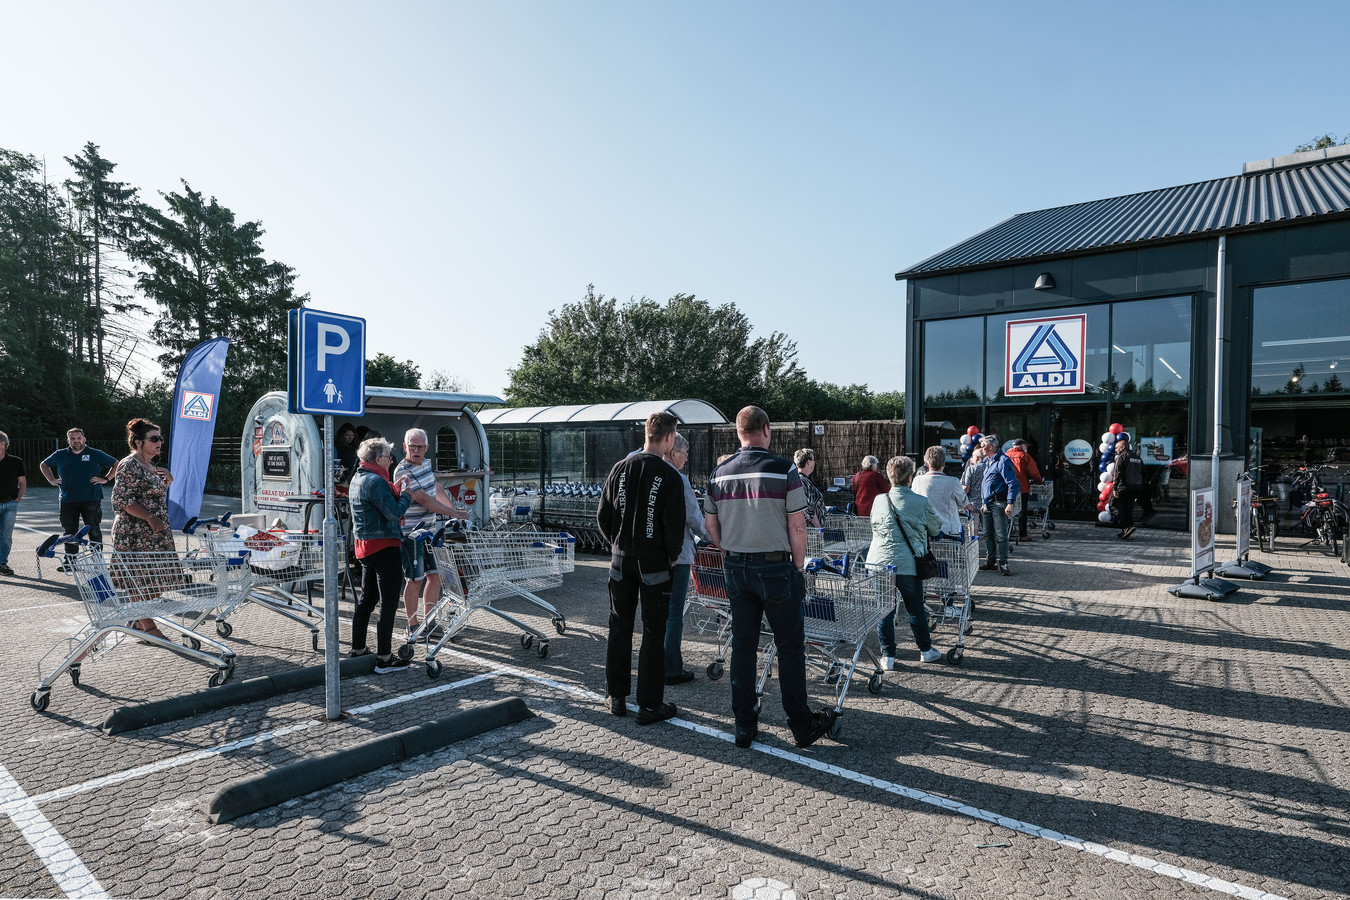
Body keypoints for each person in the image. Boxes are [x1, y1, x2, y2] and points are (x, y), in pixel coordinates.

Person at [703, 406, 837, 750]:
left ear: (738, 432)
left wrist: (729, 549)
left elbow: (710, 525)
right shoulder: (784, 470)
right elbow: (797, 524)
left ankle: (744, 724)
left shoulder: (719, 473)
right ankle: (801, 724)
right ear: (766, 430)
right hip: (777, 567)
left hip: (736, 567)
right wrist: (796, 565)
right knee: (790, 648)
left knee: (744, 647)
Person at [596, 412, 685, 725]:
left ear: (647, 433)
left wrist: (617, 544)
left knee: (619, 626)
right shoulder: (670, 475)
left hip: (620, 561)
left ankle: (616, 696)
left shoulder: (620, 468)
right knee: (653, 631)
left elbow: (603, 516)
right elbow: (674, 528)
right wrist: (671, 556)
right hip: (654, 565)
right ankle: (649, 705)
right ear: (669, 438)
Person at [867, 455, 944, 669]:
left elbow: (874, 525)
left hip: (879, 562)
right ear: (910, 477)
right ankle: (926, 651)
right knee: (915, 609)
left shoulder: (879, 500)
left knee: (885, 610)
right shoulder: (920, 502)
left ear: (889, 477)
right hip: (908, 563)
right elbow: (936, 528)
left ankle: (889, 656)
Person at [395, 428, 471, 636]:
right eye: (412, 447)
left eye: (420, 447)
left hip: (429, 532)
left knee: (435, 576)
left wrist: (454, 512)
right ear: (405, 447)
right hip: (411, 533)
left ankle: (430, 622)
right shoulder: (403, 471)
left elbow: (435, 489)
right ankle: (412, 626)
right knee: (414, 580)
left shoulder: (426, 465)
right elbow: (424, 499)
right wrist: (454, 512)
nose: (416, 450)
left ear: (427, 448)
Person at [349, 437, 414, 673]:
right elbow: (393, 512)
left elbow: (377, 504)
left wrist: (396, 488)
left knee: (367, 600)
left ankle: (357, 650)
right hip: (384, 546)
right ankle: (384, 659)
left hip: (365, 548)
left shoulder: (360, 477)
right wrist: (407, 494)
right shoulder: (376, 481)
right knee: (387, 605)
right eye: (388, 456)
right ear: (378, 459)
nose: (391, 460)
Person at [110, 419, 177, 637]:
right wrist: (150, 518)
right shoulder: (129, 464)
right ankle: (149, 627)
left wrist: (168, 481)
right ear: (139, 442)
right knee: (139, 581)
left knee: (155, 581)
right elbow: (121, 500)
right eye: (154, 439)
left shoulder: (152, 467)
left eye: (161, 438)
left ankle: (138, 621)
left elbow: (151, 496)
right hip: (135, 533)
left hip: (155, 533)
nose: (160, 442)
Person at [663, 432, 711, 686]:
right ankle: (671, 668)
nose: (686, 459)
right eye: (684, 454)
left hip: (653, 557)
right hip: (678, 556)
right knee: (673, 614)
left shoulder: (651, 476)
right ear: (673, 453)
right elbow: (695, 520)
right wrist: (714, 537)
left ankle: (656, 663)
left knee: (657, 613)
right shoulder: (678, 481)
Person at [40, 428, 118, 566]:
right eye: (73, 438)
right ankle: (70, 561)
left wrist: (106, 479)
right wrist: (51, 480)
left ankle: (97, 560)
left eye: (78, 438)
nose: (76, 440)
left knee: (94, 530)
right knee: (69, 532)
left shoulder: (95, 453)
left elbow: (116, 464)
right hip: (67, 499)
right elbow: (44, 465)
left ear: (84, 439)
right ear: (68, 440)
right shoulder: (60, 454)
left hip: (91, 499)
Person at [977, 435, 1019, 576]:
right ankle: (991, 562)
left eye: (983, 446)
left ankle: (1004, 563)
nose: (981, 449)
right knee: (988, 534)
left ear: (990, 446)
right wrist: (984, 502)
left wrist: (1010, 503)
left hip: (998, 503)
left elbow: (1013, 483)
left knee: (1001, 535)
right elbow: (987, 484)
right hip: (988, 503)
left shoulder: (1003, 461)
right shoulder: (989, 461)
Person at [912, 446, 971, 538]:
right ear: (943, 463)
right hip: (949, 531)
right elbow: (965, 504)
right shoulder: (953, 482)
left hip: (925, 530)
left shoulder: (917, 480)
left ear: (927, 464)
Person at [1004, 439, 1043, 541]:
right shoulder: (1025, 456)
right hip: (1022, 488)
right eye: (1026, 445)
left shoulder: (1005, 455)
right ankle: (1023, 534)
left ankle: (1009, 532)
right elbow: (1034, 472)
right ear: (1022, 446)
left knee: (1008, 510)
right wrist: (1039, 481)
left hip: (1006, 488)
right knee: (1022, 511)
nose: (1027, 448)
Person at [0, 431, 27, 577]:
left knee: (5, 536)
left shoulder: (15, 462)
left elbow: (22, 483)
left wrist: (17, 500)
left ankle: (2, 563)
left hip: (9, 504)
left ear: (3, 444)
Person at [1113, 438, 1145, 539]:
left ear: (1123, 447)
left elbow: (1118, 473)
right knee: (1128, 508)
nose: (1115, 450)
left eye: (1116, 448)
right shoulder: (1138, 458)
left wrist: (1115, 488)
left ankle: (1126, 527)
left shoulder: (1122, 456)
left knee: (1114, 506)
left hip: (1123, 487)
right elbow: (1144, 474)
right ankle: (1126, 530)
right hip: (1135, 487)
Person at [794, 448, 827, 527]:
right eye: (813, 460)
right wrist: (818, 528)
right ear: (808, 462)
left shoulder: (803, 479)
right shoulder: (802, 481)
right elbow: (808, 508)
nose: (814, 463)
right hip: (811, 532)